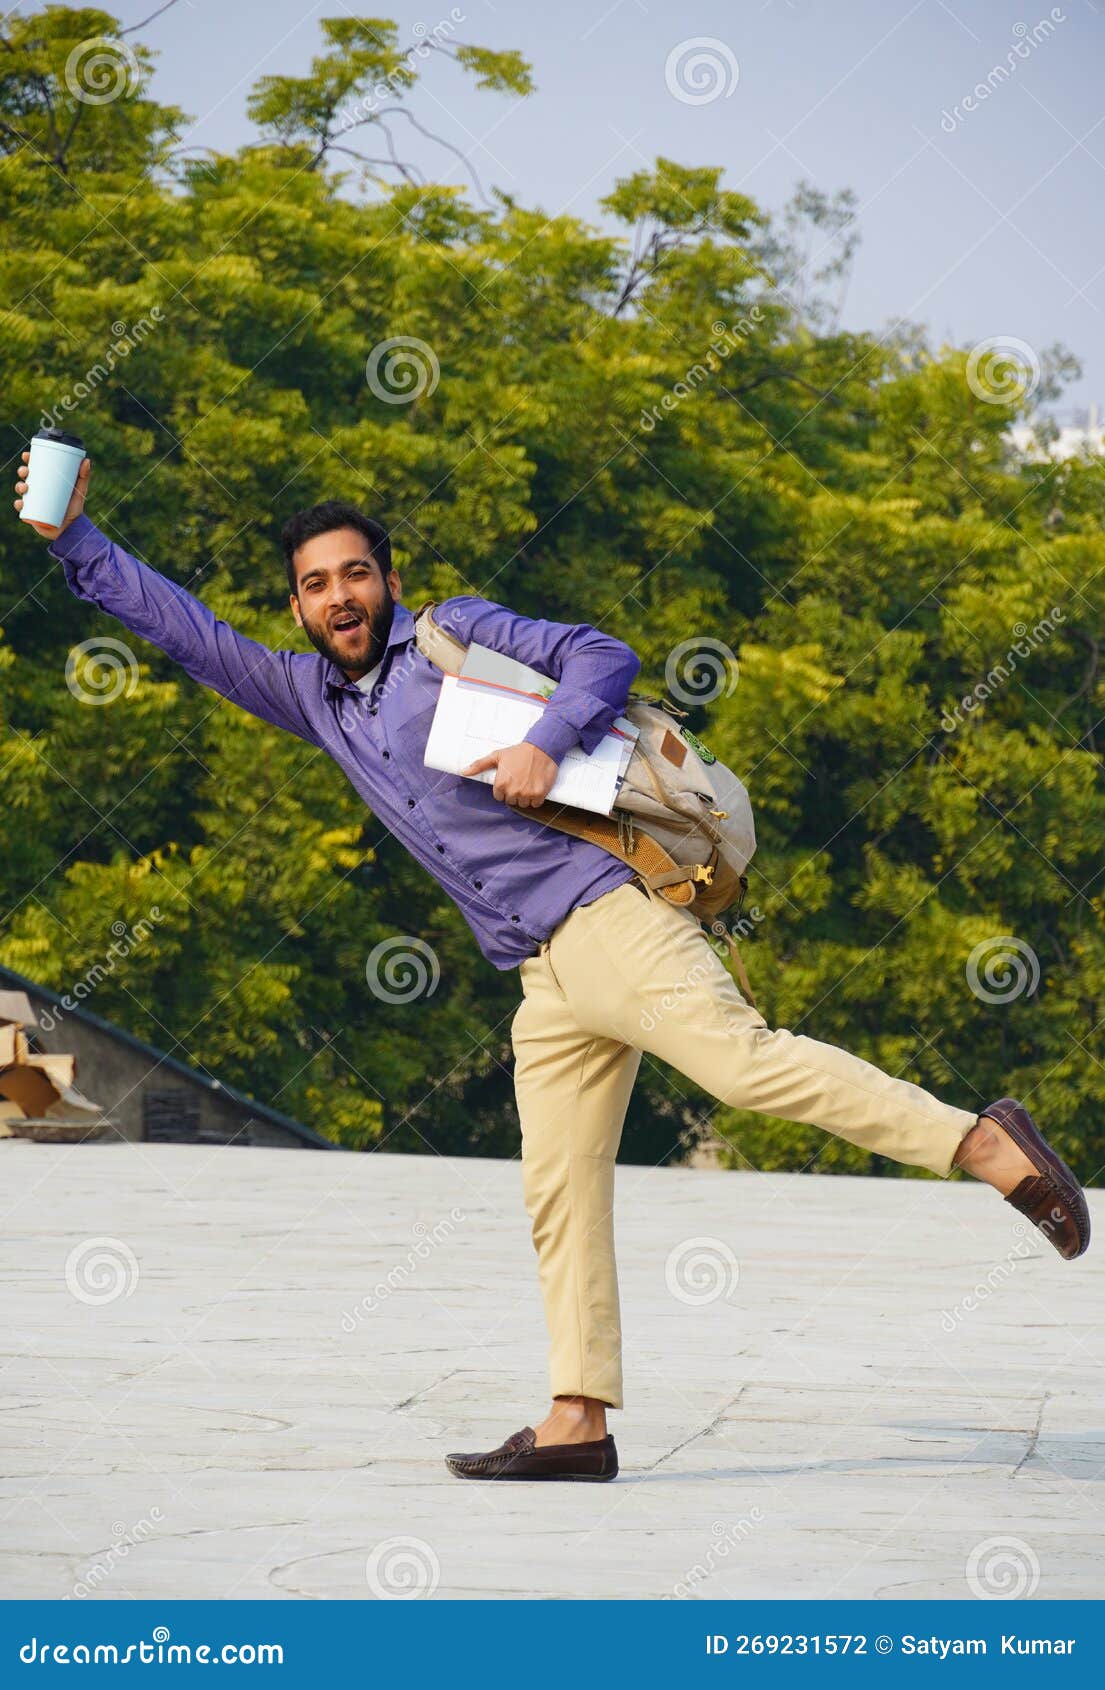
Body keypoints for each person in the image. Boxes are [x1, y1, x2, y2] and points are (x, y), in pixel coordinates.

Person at [13, 453, 1090, 1485]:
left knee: (743, 1068)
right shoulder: (314, 701)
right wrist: (76, 540)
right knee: (558, 1188)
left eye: (353, 573)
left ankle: (978, 1139)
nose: (337, 596)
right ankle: (577, 1419)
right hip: (541, 974)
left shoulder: (452, 634)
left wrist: (548, 740)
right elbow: (189, 633)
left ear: (388, 579)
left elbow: (602, 655)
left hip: (610, 918)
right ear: (296, 608)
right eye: (313, 585)